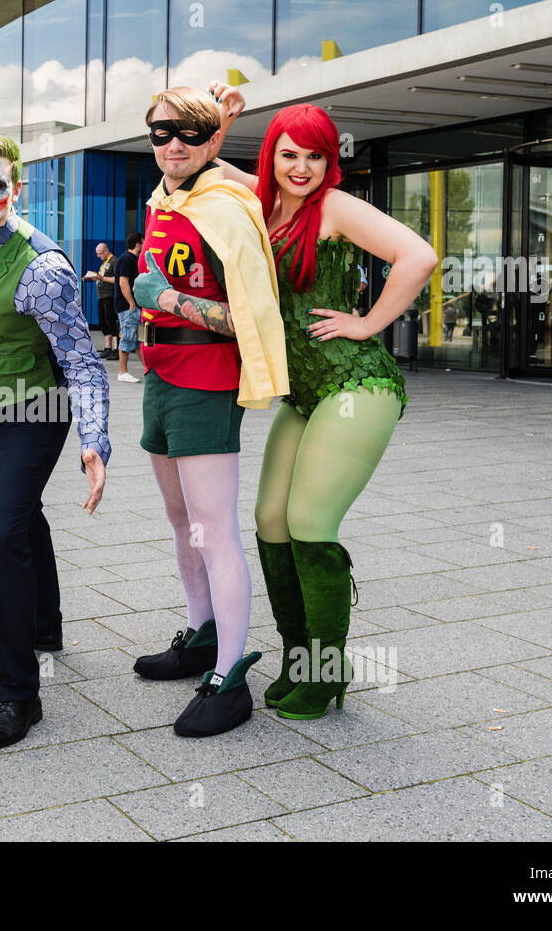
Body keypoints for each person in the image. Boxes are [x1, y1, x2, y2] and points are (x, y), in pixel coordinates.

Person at [179, 87, 437, 720]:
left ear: (330, 165)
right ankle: (301, 660)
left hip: (355, 385)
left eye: (316, 158)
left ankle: (326, 673)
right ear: (273, 158)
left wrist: (369, 322)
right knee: (270, 520)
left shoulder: (337, 208)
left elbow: (419, 255)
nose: (302, 169)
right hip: (302, 392)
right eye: (290, 155)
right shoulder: (260, 201)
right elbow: (209, 162)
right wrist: (224, 120)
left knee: (310, 524)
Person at [0, 133, 108, 749]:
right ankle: (41, 626)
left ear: (17, 188)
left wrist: (95, 442)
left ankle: (18, 697)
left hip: (37, 409)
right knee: (23, 519)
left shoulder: (44, 267)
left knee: (3, 532)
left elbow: (83, 363)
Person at [126, 86, 289, 737]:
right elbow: (182, 175)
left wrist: (166, 298)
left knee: (213, 527)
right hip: (160, 378)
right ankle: (202, 632)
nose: (172, 145)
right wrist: (215, 123)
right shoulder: (171, 198)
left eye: (188, 135)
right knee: (179, 519)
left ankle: (229, 673)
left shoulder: (227, 208)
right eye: (161, 132)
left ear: (212, 143)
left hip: (206, 379)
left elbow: (250, 317)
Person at [114, 233, 142, 384]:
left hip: (132, 306)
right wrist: (131, 303)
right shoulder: (127, 259)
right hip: (128, 307)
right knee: (127, 337)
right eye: (143, 242)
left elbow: (119, 279)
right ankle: (122, 372)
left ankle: (148, 369)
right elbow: (123, 282)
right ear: (138, 244)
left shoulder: (129, 259)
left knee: (138, 340)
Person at [85, 243, 118, 359]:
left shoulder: (114, 261)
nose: (98, 256)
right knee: (103, 323)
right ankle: (107, 348)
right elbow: (103, 278)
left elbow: (118, 279)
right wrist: (95, 278)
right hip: (101, 297)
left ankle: (116, 349)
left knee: (111, 322)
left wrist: (102, 278)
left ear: (106, 251)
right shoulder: (104, 263)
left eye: (100, 254)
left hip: (110, 296)